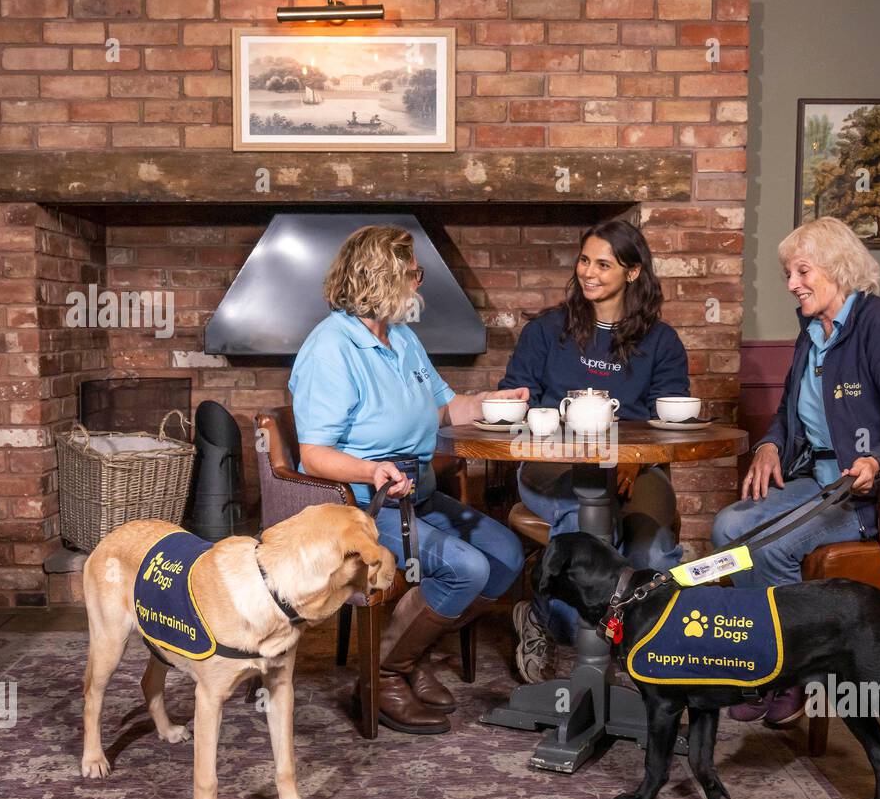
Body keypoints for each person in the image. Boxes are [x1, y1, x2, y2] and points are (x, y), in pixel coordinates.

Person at [289, 224, 527, 736]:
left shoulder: (402, 339)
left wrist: (488, 402)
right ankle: (384, 676)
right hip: (362, 503)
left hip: (417, 492)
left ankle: (411, 650)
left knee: (506, 557)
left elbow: (444, 408)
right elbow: (313, 456)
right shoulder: (330, 349)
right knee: (464, 567)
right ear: (381, 278)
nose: (418, 284)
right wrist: (370, 470)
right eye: (412, 274)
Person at [712, 216, 880, 726]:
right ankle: (759, 665)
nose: (792, 285)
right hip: (817, 483)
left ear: (837, 267)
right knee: (729, 528)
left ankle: (789, 674)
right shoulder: (813, 333)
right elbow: (788, 413)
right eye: (788, 275)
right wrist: (771, 445)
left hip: (870, 497)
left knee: (771, 546)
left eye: (801, 271)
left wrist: (877, 460)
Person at [498, 220, 690, 683]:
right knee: (581, 539)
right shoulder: (547, 331)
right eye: (585, 260)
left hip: (636, 470)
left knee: (656, 558)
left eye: (604, 264)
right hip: (552, 467)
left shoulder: (660, 341)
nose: (589, 272)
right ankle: (542, 617)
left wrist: (631, 458)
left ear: (632, 272)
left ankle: (648, 666)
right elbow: (513, 398)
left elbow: (670, 422)